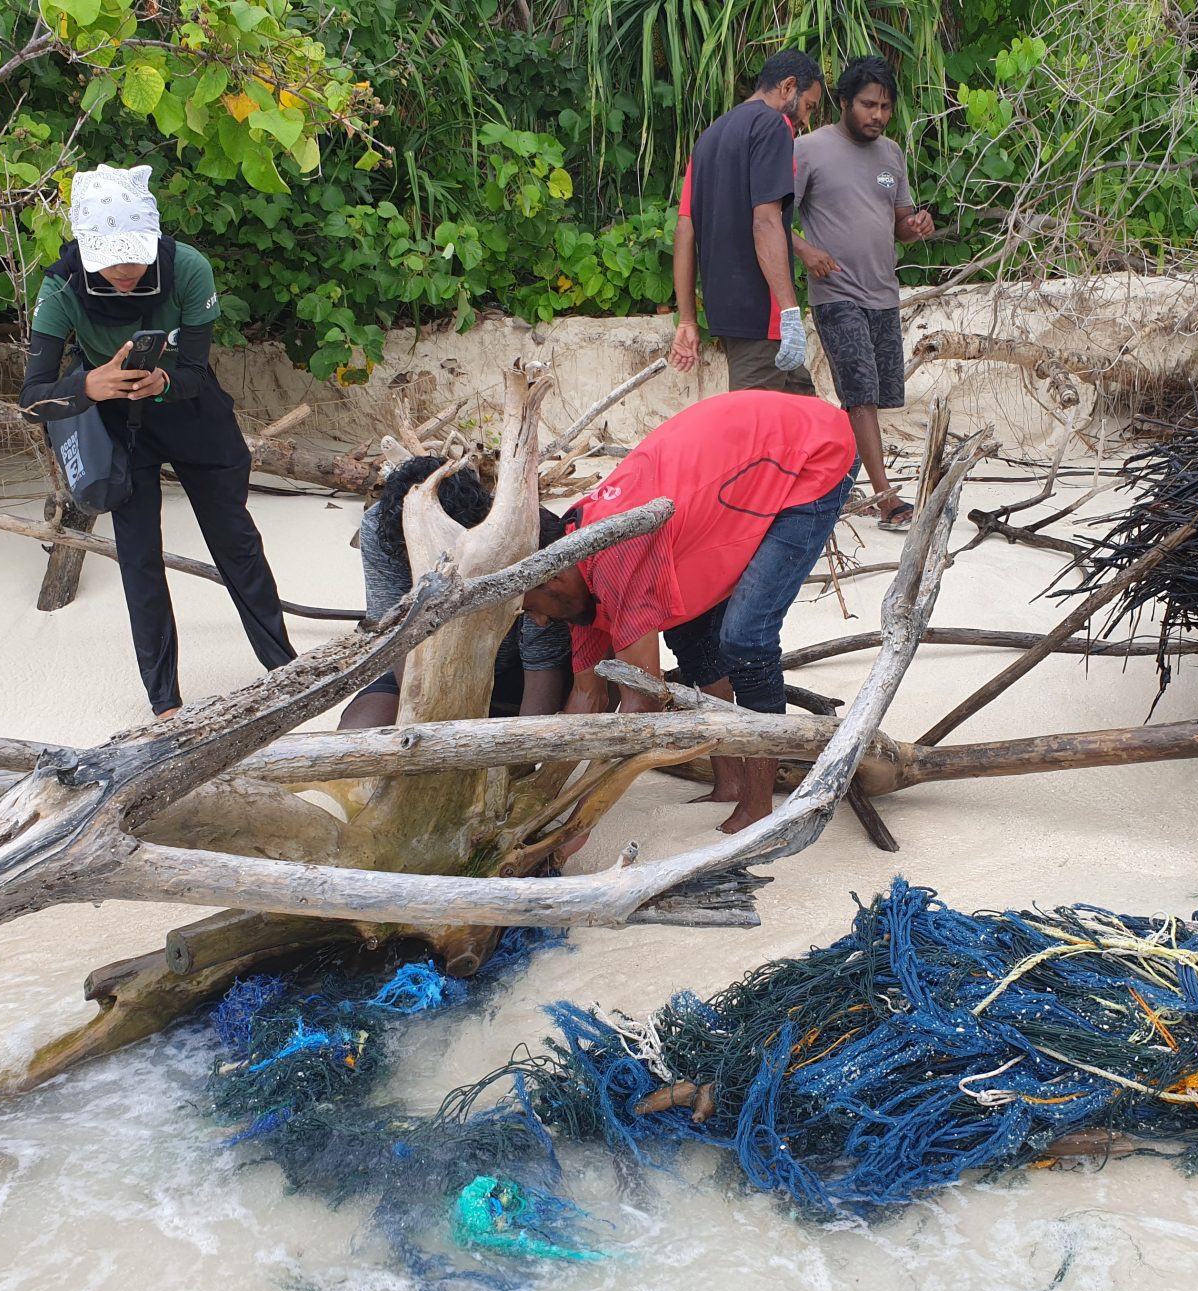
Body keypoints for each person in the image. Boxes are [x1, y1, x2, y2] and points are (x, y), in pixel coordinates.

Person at [19, 164, 295, 717]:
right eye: (109, 259)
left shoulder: (187, 267)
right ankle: (164, 703)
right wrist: (88, 386)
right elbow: (33, 400)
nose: (123, 271)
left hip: (191, 411)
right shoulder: (61, 286)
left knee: (236, 542)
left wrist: (163, 380)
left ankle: (287, 670)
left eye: (134, 256)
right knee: (139, 561)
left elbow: (195, 368)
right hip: (117, 427)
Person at [521, 390, 860, 834]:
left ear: (554, 580)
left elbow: (640, 701)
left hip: (810, 450)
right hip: (735, 458)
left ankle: (758, 808)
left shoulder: (615, 557)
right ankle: (730, 783)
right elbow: (589, 697)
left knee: (746, 637)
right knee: (691, 635)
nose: (540, 622)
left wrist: (576, 827)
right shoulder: (574, 562)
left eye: (533, 609)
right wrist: (535, 791)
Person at [794, 55, 936, 533]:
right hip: (836, 293)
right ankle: (886, 499)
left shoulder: (891, 154)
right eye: (868, 105)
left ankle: (827, 477)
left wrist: (916, 227)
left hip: (883, 293)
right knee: (859, 395)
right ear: (842, 102)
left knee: (875, 395)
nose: (877, 115)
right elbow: (770, 217)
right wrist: (806, 251)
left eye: (885, 107)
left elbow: (901, 225)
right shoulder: (809, 149)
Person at [339, 455, 571, 729]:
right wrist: (421, 720)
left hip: (514, 670)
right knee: (359, 733)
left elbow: (543, 653)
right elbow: (395, 634)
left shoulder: (517, 527)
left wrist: (524, 747)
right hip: (426, 669)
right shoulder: (380, 528)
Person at [669, 51, 825, 394]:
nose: (806, 120)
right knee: (757, 434)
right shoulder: (773, 126)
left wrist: (687, 319)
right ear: (788, 87)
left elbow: (685, 229)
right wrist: (788, 312)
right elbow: (766, 222)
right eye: (809, 107)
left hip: (726, 308)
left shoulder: (709, 138)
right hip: (761, 312)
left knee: (803, 414)